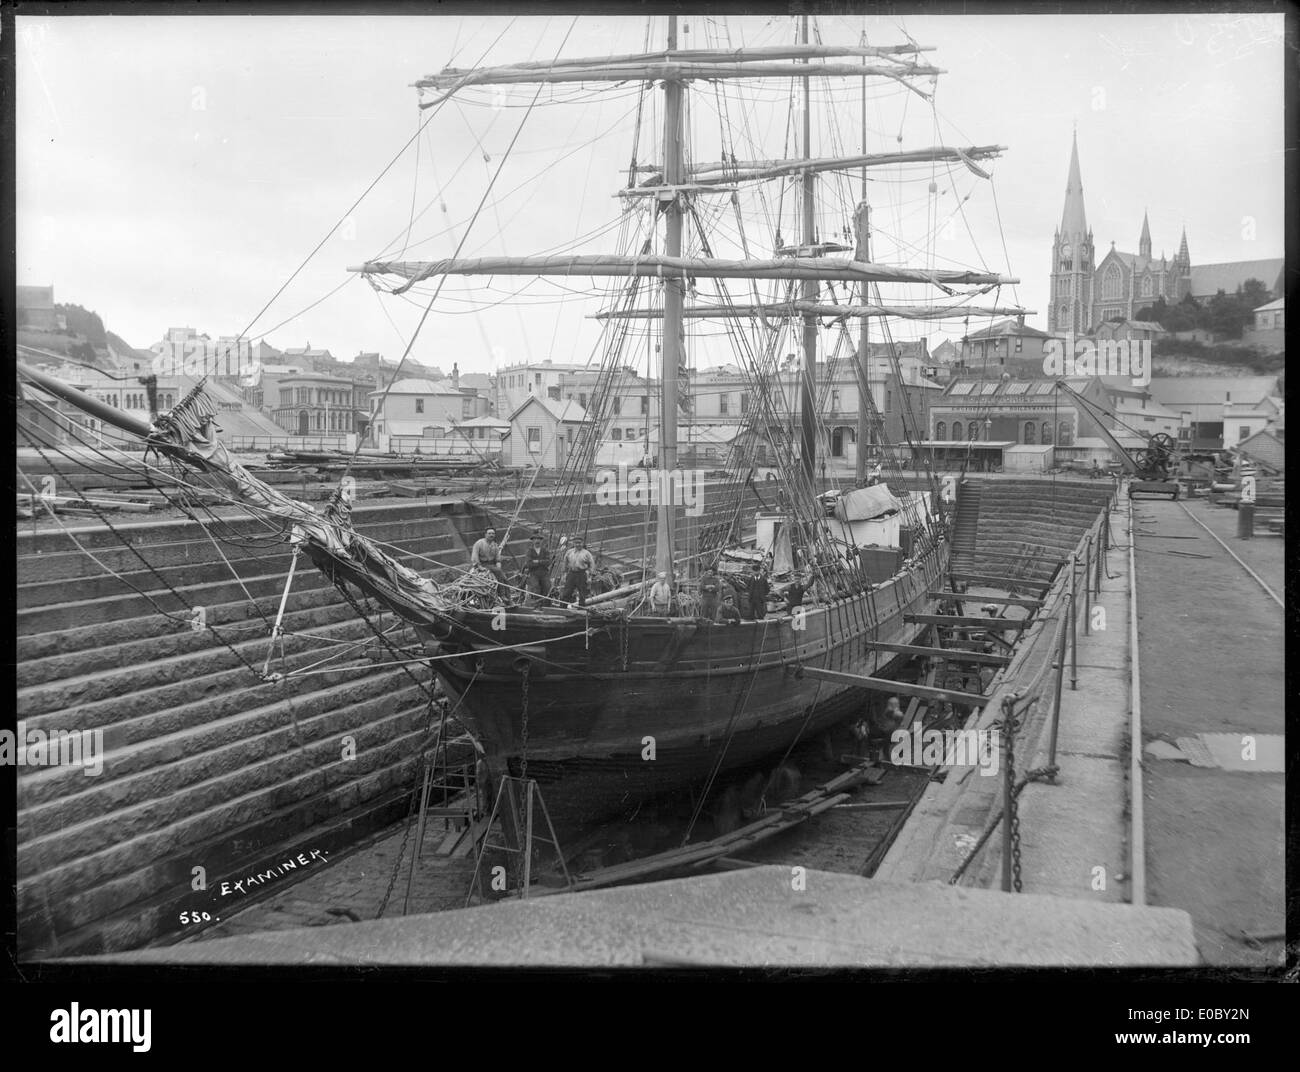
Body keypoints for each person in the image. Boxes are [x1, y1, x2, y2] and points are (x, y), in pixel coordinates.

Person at [559, 536, 596, 607]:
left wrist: (589, 577)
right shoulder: (569, 552)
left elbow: (592, 565)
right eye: (576, 543)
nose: (578, 544)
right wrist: (564, 575)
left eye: (579, 543)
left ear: (582, 543)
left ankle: (581, 609)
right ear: (573, 543)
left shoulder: (587, 553)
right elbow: (565, 564)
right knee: (567, 592)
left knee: (582, 593)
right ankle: (562, 608)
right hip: (571, 574)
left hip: (582, 574)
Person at [523, 533, 551, 605]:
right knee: (535, 588)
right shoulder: (529, 551)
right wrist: (542, 562)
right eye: (535, 539)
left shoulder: (545, 551)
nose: (537, 541)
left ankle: (547, 605)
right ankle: (537, 605)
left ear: (541, 541)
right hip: (533, 573)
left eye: (539, 539)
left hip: (544, 573)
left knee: (547, 587)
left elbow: (548, 562)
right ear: (532, 541)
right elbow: (529, 564)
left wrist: (537, 561)